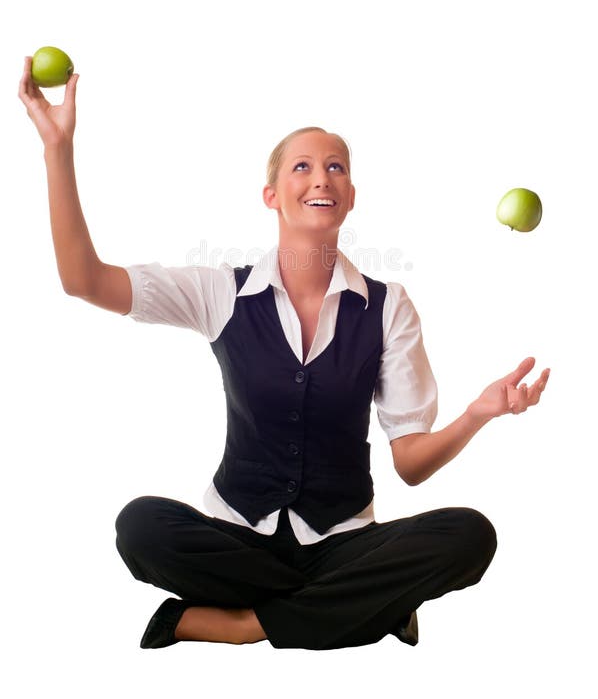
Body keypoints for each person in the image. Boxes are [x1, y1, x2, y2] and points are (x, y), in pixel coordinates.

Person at [19, 57, 550, 652]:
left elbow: (411, 466)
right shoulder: (221, 291)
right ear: (272, 194)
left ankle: (246, 623)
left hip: (343, 538)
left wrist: (477, 413)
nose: (321, 178)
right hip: (237, 535)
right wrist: (57, 149)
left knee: (469, 536)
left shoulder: (389, 306)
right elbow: (84, 280)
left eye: (335, 168)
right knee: (140, 526)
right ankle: (366, 606)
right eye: (303, 167)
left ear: (350, 196)